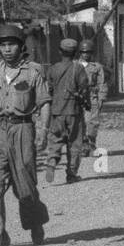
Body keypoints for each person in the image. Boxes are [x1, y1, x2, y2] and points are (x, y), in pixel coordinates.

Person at [0, 23, 49, 246]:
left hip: (22, 130)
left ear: (20, 46)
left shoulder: (33, 72)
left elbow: (44, 103)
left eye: (12, 45)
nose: (7, 49)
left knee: (25, 185)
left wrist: (43, 131)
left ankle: (35, 223)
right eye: (3, 45)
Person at [43, 38, 90, 184]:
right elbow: (84, 88)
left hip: (56, 111)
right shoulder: (79, 68)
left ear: (59, 52)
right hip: (74, 111)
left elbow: (48, 90)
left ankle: (51, 161)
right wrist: (86, 102)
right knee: (75, 143)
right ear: (76, 53)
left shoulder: (53, 68)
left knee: (56, 139)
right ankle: (71, 174)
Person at [78, 40, 108, 157]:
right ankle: (82, 147)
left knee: (93, 123)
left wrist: (101, 98)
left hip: (92, 97)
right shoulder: (75, 65)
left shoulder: (97, 67)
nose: (86, 54)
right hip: (78, 98)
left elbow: (102, 83)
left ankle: (91, 145)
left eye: (88, 52)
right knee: (79, 123)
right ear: (80, 52)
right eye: (84, 52)